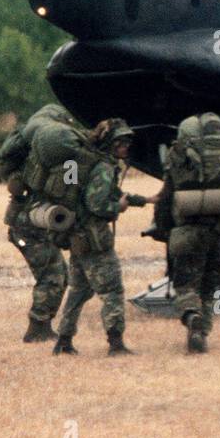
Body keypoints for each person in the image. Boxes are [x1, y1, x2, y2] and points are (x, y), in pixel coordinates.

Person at [152, 112, 220, 352]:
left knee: (185, 287)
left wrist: (162, 230)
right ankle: (201, 336)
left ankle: (192, 316)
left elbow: (165, 199)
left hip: (188, 234)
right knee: (208, 290)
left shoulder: (179, 160)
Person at [53, 118, 149, 356]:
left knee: (78, 291)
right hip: (95, 241)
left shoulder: (89, 164)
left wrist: (142, 200)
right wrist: (119, 207)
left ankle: (63, 341)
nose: (126, 147)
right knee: (112, 291)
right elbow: (97, 204)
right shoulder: (104, 168)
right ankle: (116, 344)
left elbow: (108, 193)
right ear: (111, 144)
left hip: (78, 239)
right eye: (122, 142)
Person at [0, 104, 71, 343]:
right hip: (28, 227)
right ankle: (37, 328)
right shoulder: (42, 167)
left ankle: (42, 325)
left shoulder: (32, 163)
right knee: (51, 276)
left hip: (27, 225)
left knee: (60, 274)